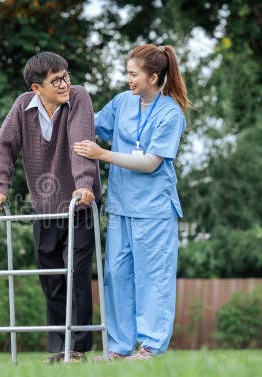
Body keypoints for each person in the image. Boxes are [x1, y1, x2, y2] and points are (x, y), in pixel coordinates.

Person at [73, 44, 190, 360]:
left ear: (153, 77)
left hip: (154, 209)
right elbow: (91, 125)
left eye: (133, 74)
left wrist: (103, 154)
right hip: (121, 207)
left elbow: (152, 162)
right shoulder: (123, 102)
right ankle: (119, 348)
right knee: (117, 277)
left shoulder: (170, 113)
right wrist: (64, 104)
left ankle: (150, 346)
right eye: (127, 73)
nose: (128, 79)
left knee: (153, 278)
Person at [0, 51, 101, 363]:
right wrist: (1, 189)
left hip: (81, 202)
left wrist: (84, 182)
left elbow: (80, 142)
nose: (65, 83)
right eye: (56, 80)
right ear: (37, 88)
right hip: (45, 205)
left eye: (66, 75)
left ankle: (76, 348)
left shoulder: (78, 99)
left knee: (75, 270)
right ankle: (58, 347)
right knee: (49, 273)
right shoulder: (23, 107)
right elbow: (4, 146)